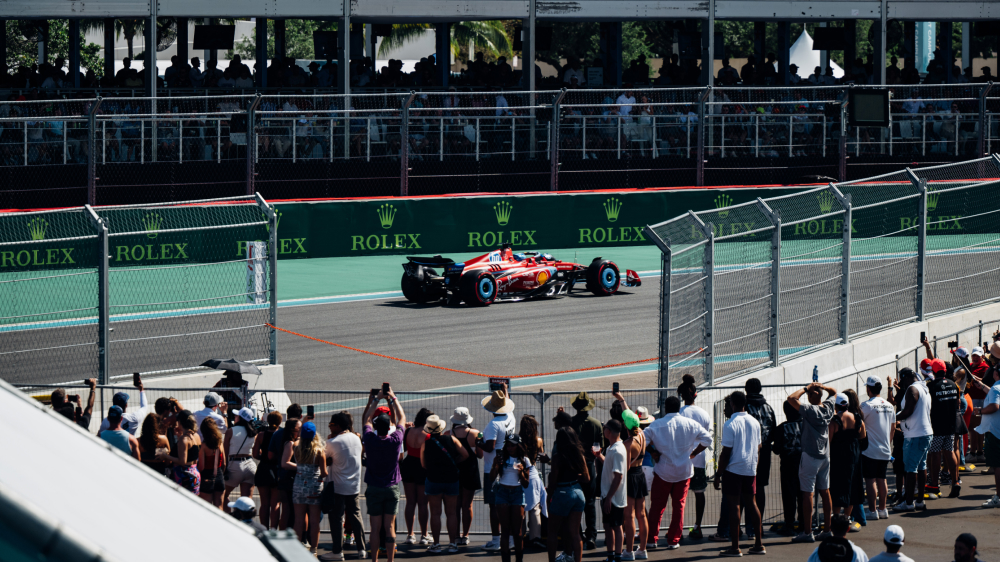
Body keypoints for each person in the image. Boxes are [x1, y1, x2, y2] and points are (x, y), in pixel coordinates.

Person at [644, 395, 711, 550]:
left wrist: (652, 452)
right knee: (679, 506)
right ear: (679, 407)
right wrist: (693, 453)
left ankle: (652, 539)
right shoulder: (690, 424)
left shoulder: (657, 425)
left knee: (657, 507)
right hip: (683, 471)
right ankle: (674, 540)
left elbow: (642, 440)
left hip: (663, 471)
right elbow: (707, 439)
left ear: (665, 408)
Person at [787, 381, 838, 543]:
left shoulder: (810, 410)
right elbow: (834, 392)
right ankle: (827, 529)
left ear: (811, 395)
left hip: (810, 455)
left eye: (809, 394)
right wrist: (822, 387)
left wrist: (805, 388)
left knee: (807, 493)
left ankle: (808, 532)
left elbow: (791, 399)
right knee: (825, 491)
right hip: (825, 455)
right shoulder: (828, 408)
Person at [715, 391, 764, 557]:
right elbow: (759, 447)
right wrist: (753, 466)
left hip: (733, 470)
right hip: (750, 469)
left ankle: (735, 547)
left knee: (734, 506)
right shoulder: (755, 422)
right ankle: (759, 544)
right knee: (752, 504)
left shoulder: (730, 424)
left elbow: (725, 453)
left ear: (732, 404)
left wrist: (718, 474)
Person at [363, 386, 406, 562]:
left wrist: (375, 399)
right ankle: (390, 560)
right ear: (389, 426)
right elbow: (402, 418)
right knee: (389, 527)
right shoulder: (395, 439)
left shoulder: (370, 439)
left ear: (375, 426)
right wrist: (393, 398)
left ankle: (374, 559)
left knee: (375, 528)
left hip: (374, 486)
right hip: (391, 486)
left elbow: (365, 418)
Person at [320, 411, 365, 561]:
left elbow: (322, 458)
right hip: (354, 486)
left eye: (331, 425)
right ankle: (361, 549)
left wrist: (328, 441)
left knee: (336, 518)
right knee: (356, 517)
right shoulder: (357, 438)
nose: (330, 427)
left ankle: (337, 551)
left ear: (338, 426)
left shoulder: (333, 442)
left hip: (338, 486)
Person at [421, 414, 469, 553]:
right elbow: (465, 454)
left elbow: (423, 464)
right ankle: (452, 543)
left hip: (433, 480)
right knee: (451, 513)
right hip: (451, 479)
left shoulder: (427, 443)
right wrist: (454, 463)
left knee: (435, 513)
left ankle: (436, 544)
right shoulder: (452, 439)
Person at [480, 388, 517, 552]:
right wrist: (505, 392)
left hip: (492, 469)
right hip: (508, 466)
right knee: (507, 504)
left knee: (494, 506)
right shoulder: (511, 416)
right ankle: (509, 539)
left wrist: (478, 441)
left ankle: (496, 540)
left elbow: (489, 447)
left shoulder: (493, 425)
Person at [545, 426, 589, 562]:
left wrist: (548, 498)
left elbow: (553, 482)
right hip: (577, 491)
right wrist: (575, 475)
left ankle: (552, 560)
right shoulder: (579, 455)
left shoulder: (558, 457)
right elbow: (587, 478)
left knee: (552, 531)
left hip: (562, 492)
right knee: (575, 533)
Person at [893, 367, 932, 512]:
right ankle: (920, 501)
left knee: (910, 469)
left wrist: (894, 417)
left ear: (906, 378)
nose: (902, 383)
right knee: (921, 467)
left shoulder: (912, 389)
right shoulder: (924, 388)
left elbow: (908, 411)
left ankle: (909, 503)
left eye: (902, 379)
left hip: (915, 435)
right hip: (925, 432)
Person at [677, 374, 712, 540]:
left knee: (679, 497)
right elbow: (707, 436)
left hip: (681, 460)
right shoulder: (704, 414)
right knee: (700, 493)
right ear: (695, 394)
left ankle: (678, 529)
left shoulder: (679, 413)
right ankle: (697, 526)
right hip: (699, 459)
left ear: (681, 396)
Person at [569, 391, 603, 550]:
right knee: (590, 503)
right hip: (590, 464)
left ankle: (578, 534)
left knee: (574, 503)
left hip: (573, 466)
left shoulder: (570, 424)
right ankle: (591, 536)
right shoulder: (596, 424)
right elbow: (599, 447)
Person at [489, 433, 531, 562]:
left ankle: (519, 560)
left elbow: (526, 483)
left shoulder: (524, 459)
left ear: (518, 446)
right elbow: (491, 478)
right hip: (502, 492)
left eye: (512, 445)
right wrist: (496, 466)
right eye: (507, 445)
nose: (509, 448)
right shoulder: (501, 457)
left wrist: (521, 472)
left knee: (518, 532)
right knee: (505, 531)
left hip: (517, 493)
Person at [860, 376, 895, 520]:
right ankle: (883, 509)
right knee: (882, 478)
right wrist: (888, 442)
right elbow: (893, 428)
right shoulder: (889, 405)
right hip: (885, 447)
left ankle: (873, 511)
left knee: (870, 479)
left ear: (868, 388)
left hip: (870, 449)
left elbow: (858, 423)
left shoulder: (866, 405)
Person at [290, 421, 327, 555]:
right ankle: (314, 549)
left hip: (299, 486)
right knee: (314, 521)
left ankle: (297, 548)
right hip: (314, 488)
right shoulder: (319, 451)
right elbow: (324, 473)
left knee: (298, 520)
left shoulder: (296, 448)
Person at [926, 358, 961, 499]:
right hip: (951, 424)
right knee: (949, 451)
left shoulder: (931, 386)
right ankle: (955, 481)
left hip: (937, 425)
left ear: (933, 371)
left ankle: (934, 484)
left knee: (935, 453)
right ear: (945, 371)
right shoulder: (954, 385)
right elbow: (957, 403)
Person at [446, 406, 482, 546]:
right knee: (467, 505)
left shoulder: (448, 433)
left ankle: (455, 535)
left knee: (455, 506)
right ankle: (465, 535)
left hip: (454, 472)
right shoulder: (475, 433)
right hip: (470, 471)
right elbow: (480, 455)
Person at [745, 378, 776, 527]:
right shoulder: (768, 408)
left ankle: (745, 524)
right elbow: (773, 430)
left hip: (747, 450)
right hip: (765, 451)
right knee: (761, 487)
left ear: (746, 389)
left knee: (745, 487)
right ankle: (758, 523)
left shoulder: (744, 407)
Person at [769, 400, 803, 535]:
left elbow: (777, 449)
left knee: (789, 495)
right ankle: (803, 523)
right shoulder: (806, 425)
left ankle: (789, 524)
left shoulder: (782, 427)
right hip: (804, 464)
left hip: (788, 465)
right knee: (803, 494)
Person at [829, 393, 865, 522]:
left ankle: (836, 517)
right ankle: (847, 517)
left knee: (838, 486)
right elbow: (862, 435)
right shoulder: (857, 417)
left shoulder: (835, 420)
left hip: (839, 456)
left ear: (836, 405)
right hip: (854, 454)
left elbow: (829, 440)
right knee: (853, 486)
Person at [401, 408, 433, 546]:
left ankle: (410, 534)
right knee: (423, 503)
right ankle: (424, 535)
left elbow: (404, 449)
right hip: (422, 466)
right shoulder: (428, 434)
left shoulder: (408, 431)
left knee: (410, 502)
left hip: (408, 465)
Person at [598, 420, 627, 562]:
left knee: (616, 526)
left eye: (605, 429)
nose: (603, 431)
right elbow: (610, 467)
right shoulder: (611, 448)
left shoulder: (617, 450)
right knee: (608, 526)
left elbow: (618, 477)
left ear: (609, 431)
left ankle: (617, 557)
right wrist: (599, 456)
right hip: (608, 495)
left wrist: (609, 498)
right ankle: (611, 556)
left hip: (613, 497)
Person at [619, 408, 646, 560]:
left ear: (626, 426)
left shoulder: (628, 443)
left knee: (629, 516)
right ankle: (642, 549)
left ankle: (628, 551)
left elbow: (626, 466)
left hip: (630, 477)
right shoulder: (642, 434)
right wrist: (621, 398)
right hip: (640, 474)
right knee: (641, 515)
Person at [973, 361, 1000, 507]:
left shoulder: (996, 388)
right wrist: (982, 386)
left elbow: (995, 405)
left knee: (997, 466)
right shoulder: (996, 388)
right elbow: (994, 393)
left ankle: (998, 497)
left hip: (995, 433)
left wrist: (980, 411)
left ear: (996, 373)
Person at [157, 410, 202, 494]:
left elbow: (182, 461)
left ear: (180, 422)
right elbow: (191, 453)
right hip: (194, 474)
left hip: (185, 476)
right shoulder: (195, 436)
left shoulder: (184, 439)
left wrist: (165, 456)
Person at [519, 414, 546, 550]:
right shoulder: (538, 440)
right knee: (535, 507)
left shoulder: (519, 441)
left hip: (520, 473)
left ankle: (520, 535)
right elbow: (541, 454)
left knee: (521, 507)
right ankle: (535, 537)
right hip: (534, 473)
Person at [223, 408, 258, 512]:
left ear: (240, 418)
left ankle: (230, 518)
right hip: (250, 465)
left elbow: (225, 452)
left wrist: (224, 469)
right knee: (246, 501)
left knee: (223, 495)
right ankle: (245, 522)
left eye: (236, 415)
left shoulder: (230, 431)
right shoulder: (253, 432)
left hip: (235, 465)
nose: (235, 417)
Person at [254, 410, 283, 529]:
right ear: (280, 421)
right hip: (277, 469)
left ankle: (264, 528)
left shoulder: (261, 435)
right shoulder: (282, 434)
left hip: (264, 468)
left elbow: (255, 454)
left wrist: (264, 457)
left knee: (264, 504)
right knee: (275, 504)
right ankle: (273, 530)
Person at [199, 417, 227, 509]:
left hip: (206, 477)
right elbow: (224, 464)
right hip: (219, 476)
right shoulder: (220, 443)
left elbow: (202, 467)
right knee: (219, 506)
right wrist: (220, 474)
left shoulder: (203, 445)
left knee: (206, 508)